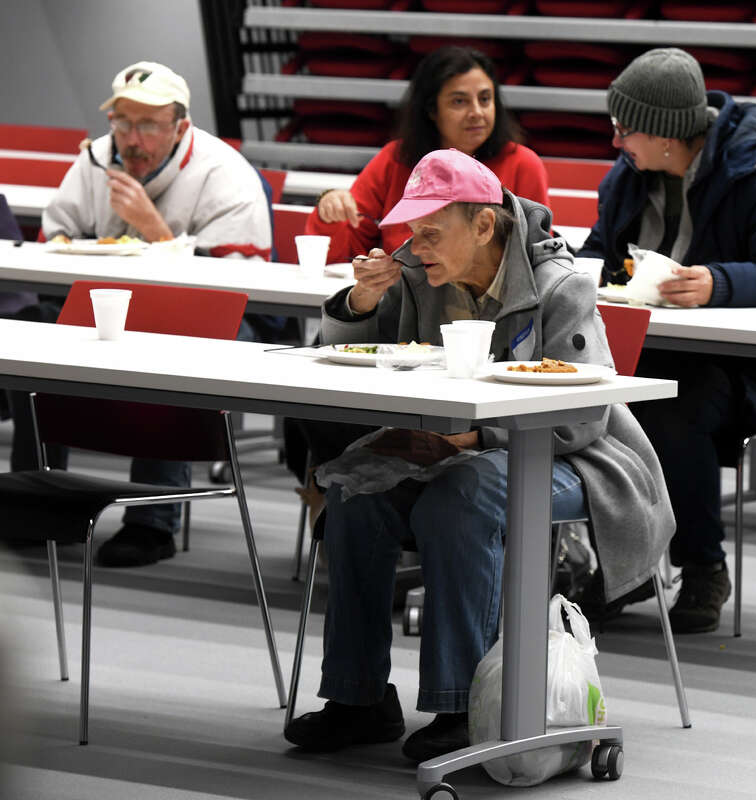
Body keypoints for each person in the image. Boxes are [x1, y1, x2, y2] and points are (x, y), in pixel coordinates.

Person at [283, 149, 674, 760]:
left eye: (431, 233)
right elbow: (350, 355)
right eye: (412, 233)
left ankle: (463, 706)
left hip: (573, 458)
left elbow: (583, 416)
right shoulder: (417, 277)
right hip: (453, 453)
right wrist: (359, 303)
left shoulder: (559, 285)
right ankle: (358, 699)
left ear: (484, 224)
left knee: (461, 497)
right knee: (357, 493)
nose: (416, 247)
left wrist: (475, 439)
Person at [578, 48, 756, 634]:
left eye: (625, 128)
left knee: (673, 404)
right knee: (585, 401)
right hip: (652, 350)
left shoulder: (754, 172)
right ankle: (628, 566)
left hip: (745, 366)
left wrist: (719, 283)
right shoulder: (628, 177)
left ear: (665, 136)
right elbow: (597, 254)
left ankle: (703, 565)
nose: (616, 141)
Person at [29, 61, 273, 567]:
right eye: (122, 122)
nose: (131, 139)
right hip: (108, 303)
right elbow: (54, 233)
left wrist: (155, 230)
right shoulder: (97, 157)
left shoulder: (224, 172)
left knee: (173, 344)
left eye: (148, 125)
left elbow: (242, 282)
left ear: (180, 127)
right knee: (33, 327)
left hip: (212, 320)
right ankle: (40, 503)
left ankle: (152, 521)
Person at [304, 45, 549, 263]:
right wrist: (330, 212)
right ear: (431, 110)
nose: (477, 112)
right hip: (402, 296)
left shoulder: (523, 164)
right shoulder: (396, 159)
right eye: (459, 102)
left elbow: (533, 256)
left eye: (485, 99)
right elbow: (343, 255)